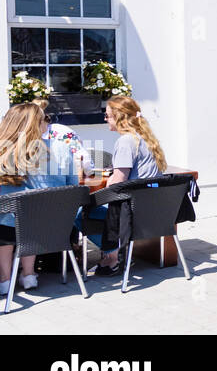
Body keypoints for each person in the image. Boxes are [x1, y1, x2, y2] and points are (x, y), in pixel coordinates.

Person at [0, 101, 80, 295]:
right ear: (36, 124)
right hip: (51, 227)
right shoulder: (60, 148)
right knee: (32, 213)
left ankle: (5, 279)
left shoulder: (3, 152)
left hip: (8, 227)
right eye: (45, 118)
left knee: (8, 218)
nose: (48, 122)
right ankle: (28, 274)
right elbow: (74, 185)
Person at [94, 95, 170, 275]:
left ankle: (112, 258)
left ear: (120, 117)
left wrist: (105, 181)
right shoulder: (145, 138)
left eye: (108, 116)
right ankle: (116, 254)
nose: (105, 119)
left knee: (83, 213)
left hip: (132, 212)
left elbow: (118, 182)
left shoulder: (126, 142)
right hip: (153, 210)